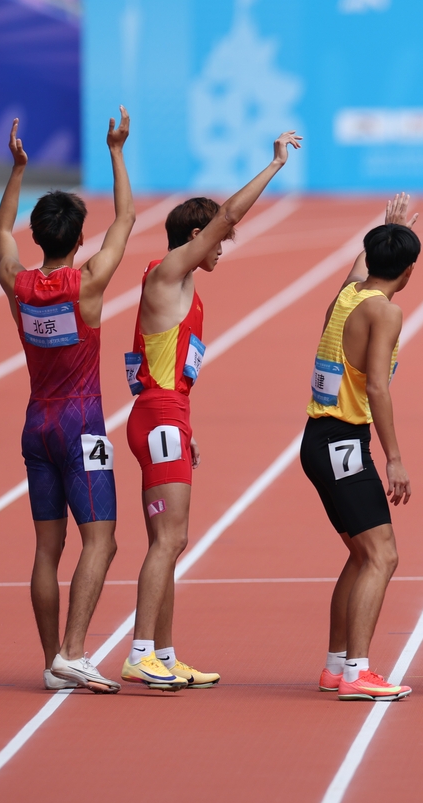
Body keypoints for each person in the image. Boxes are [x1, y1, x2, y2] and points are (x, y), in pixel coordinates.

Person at [120, 130, 301, 690]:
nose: (224, 247)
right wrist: (274, 166)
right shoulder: (166, 273)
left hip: (166, 414)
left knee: (170, 541)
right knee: (168, 541)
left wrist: (180, 424)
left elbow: (156, 364)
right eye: (219, 241)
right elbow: (227, 215)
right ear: (196, 238)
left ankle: (164, 654)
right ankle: (140, 653)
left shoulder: (183, 287)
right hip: (160, 416)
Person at [0, 111, 133, 693]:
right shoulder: (88, 283)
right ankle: (74, 652)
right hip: (83, 425)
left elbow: (2, 234)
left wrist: (17, 169)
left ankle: (53, 660)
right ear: (78, 240)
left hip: (37, 424)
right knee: (102, 539)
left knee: (47, 549)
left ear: (38, 237)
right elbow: (125, 219)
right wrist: (116, 151)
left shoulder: (17, 284)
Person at [305, 194, 419, 702]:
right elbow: (376, 387)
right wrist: (394, 458)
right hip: (344, 442)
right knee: (383, 556)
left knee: (361, 554)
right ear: (410, 271)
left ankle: (336, 666)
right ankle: (358, 671)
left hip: (318, 440)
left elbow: (359, 268)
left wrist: (387, 229)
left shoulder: (347, 296)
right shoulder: (385, 312)